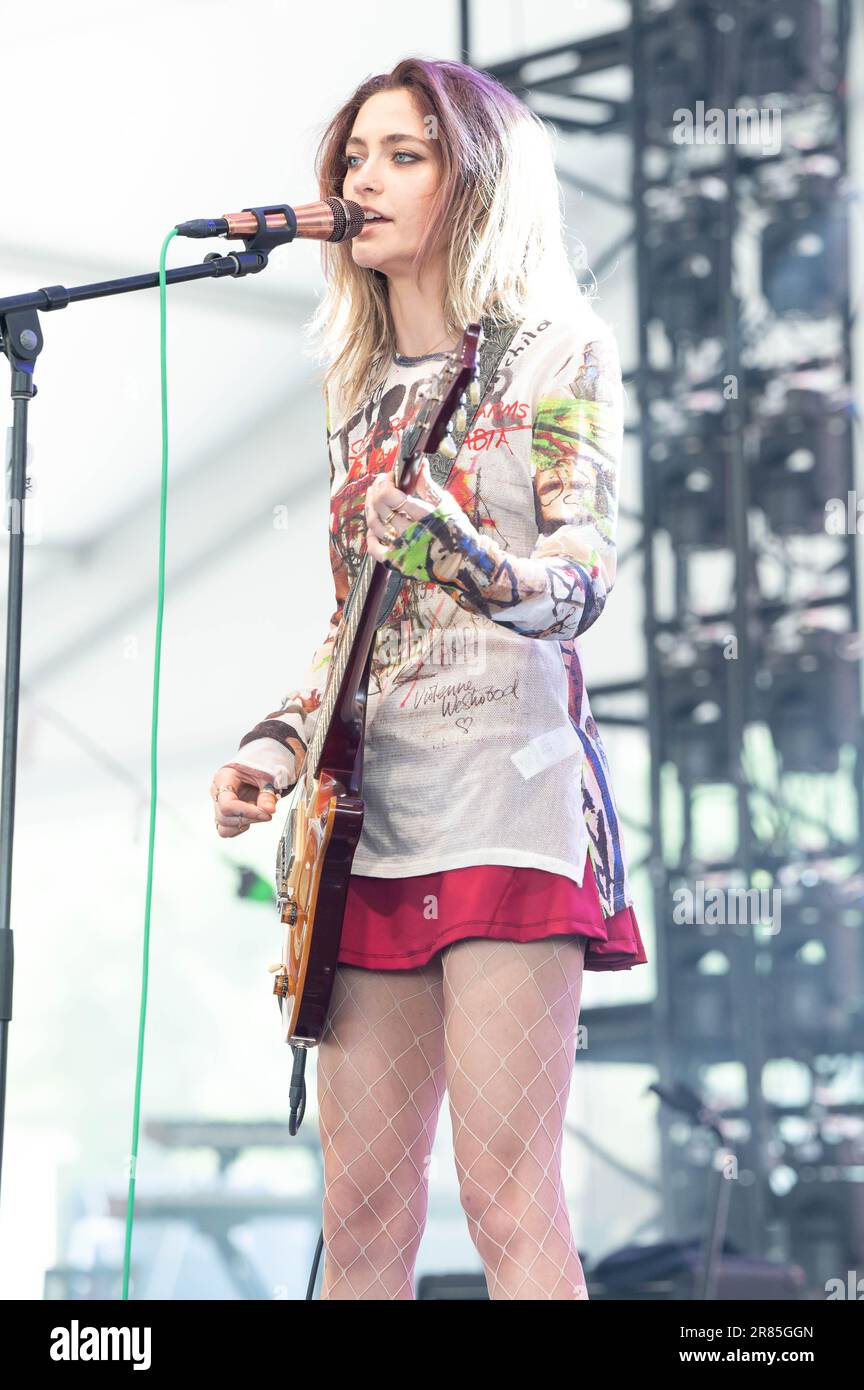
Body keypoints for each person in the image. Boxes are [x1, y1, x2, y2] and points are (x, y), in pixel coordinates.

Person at [209, 57, 647, 1301]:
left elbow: (581, 580)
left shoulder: (562, 350)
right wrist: (273, 750)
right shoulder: (359, 401)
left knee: (507, 1198)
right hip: (370, 821)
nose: (365, 180)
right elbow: (353, 628)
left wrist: (464, 558)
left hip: (507, 807)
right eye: (355, 158)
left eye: (404, 153)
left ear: (478, 179)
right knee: (359, 1218)